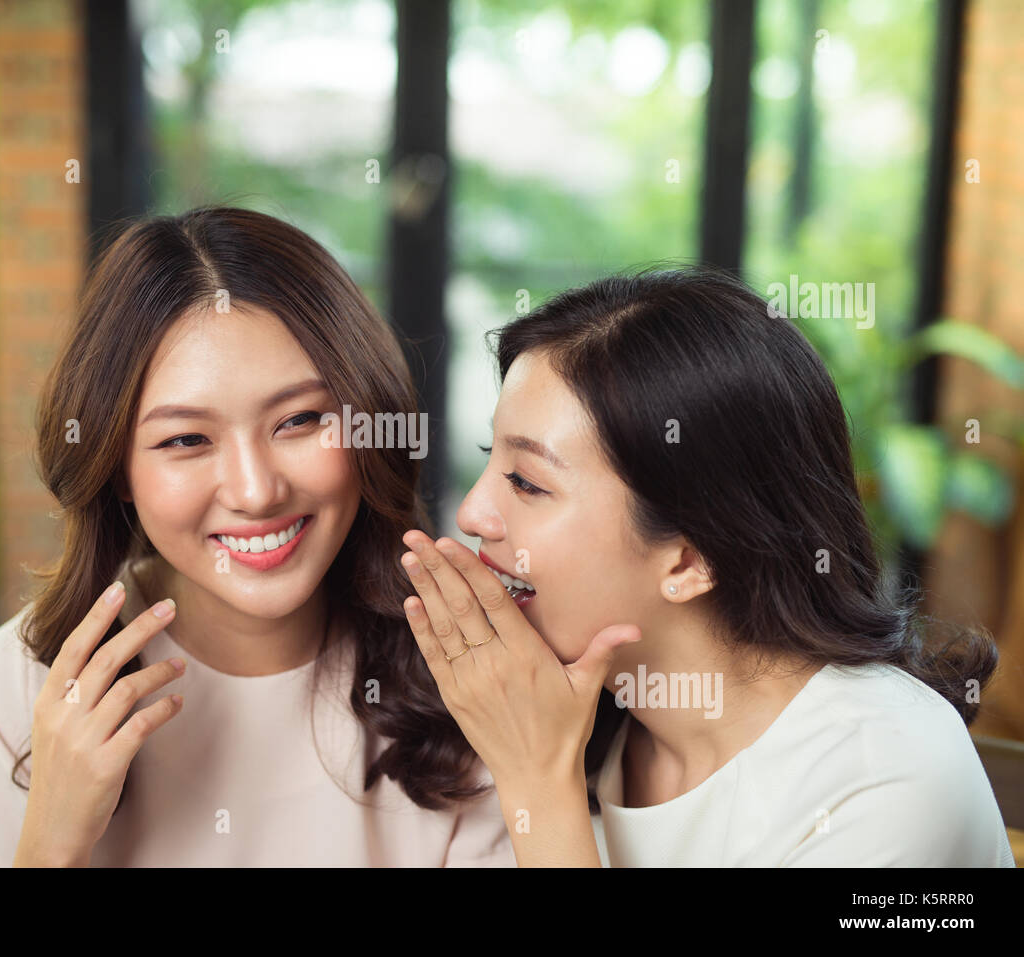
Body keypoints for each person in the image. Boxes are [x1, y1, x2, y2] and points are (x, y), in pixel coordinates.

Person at [0, 206, 515, 867]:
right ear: (118, 470)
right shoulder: (26, 677)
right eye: (186, 439)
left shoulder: (466, 670)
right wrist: (51, 843)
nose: (255, 490)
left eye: (298, 420)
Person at [399, 267, 1015, 867]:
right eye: (490, 456)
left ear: (691, 560)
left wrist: (537, 781)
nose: (475, 511)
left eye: (527, 483)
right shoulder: (557, 715)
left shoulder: (886, 781)